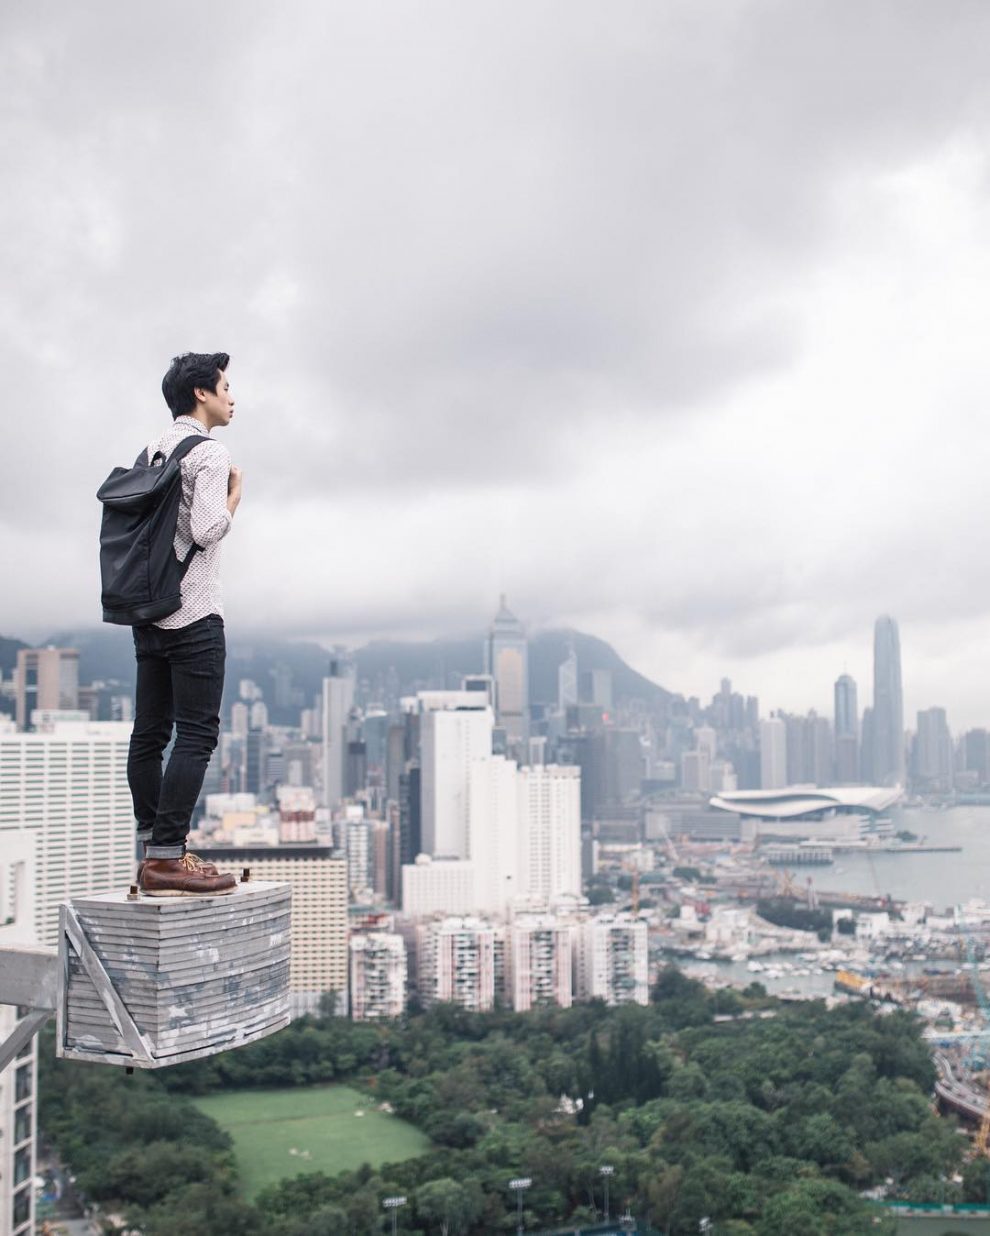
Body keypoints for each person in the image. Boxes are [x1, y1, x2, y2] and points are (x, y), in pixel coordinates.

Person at [128, 352, 241, 896]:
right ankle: (169, 859)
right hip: (193, 612)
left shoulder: (151, 449)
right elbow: (204, 530)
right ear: (201, 393)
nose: (232, 396)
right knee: (197, 735)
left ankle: (151, 851)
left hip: (147, 611)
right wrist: (234, 497)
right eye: (225, 386)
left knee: (150, 734)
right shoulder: (210, 453)